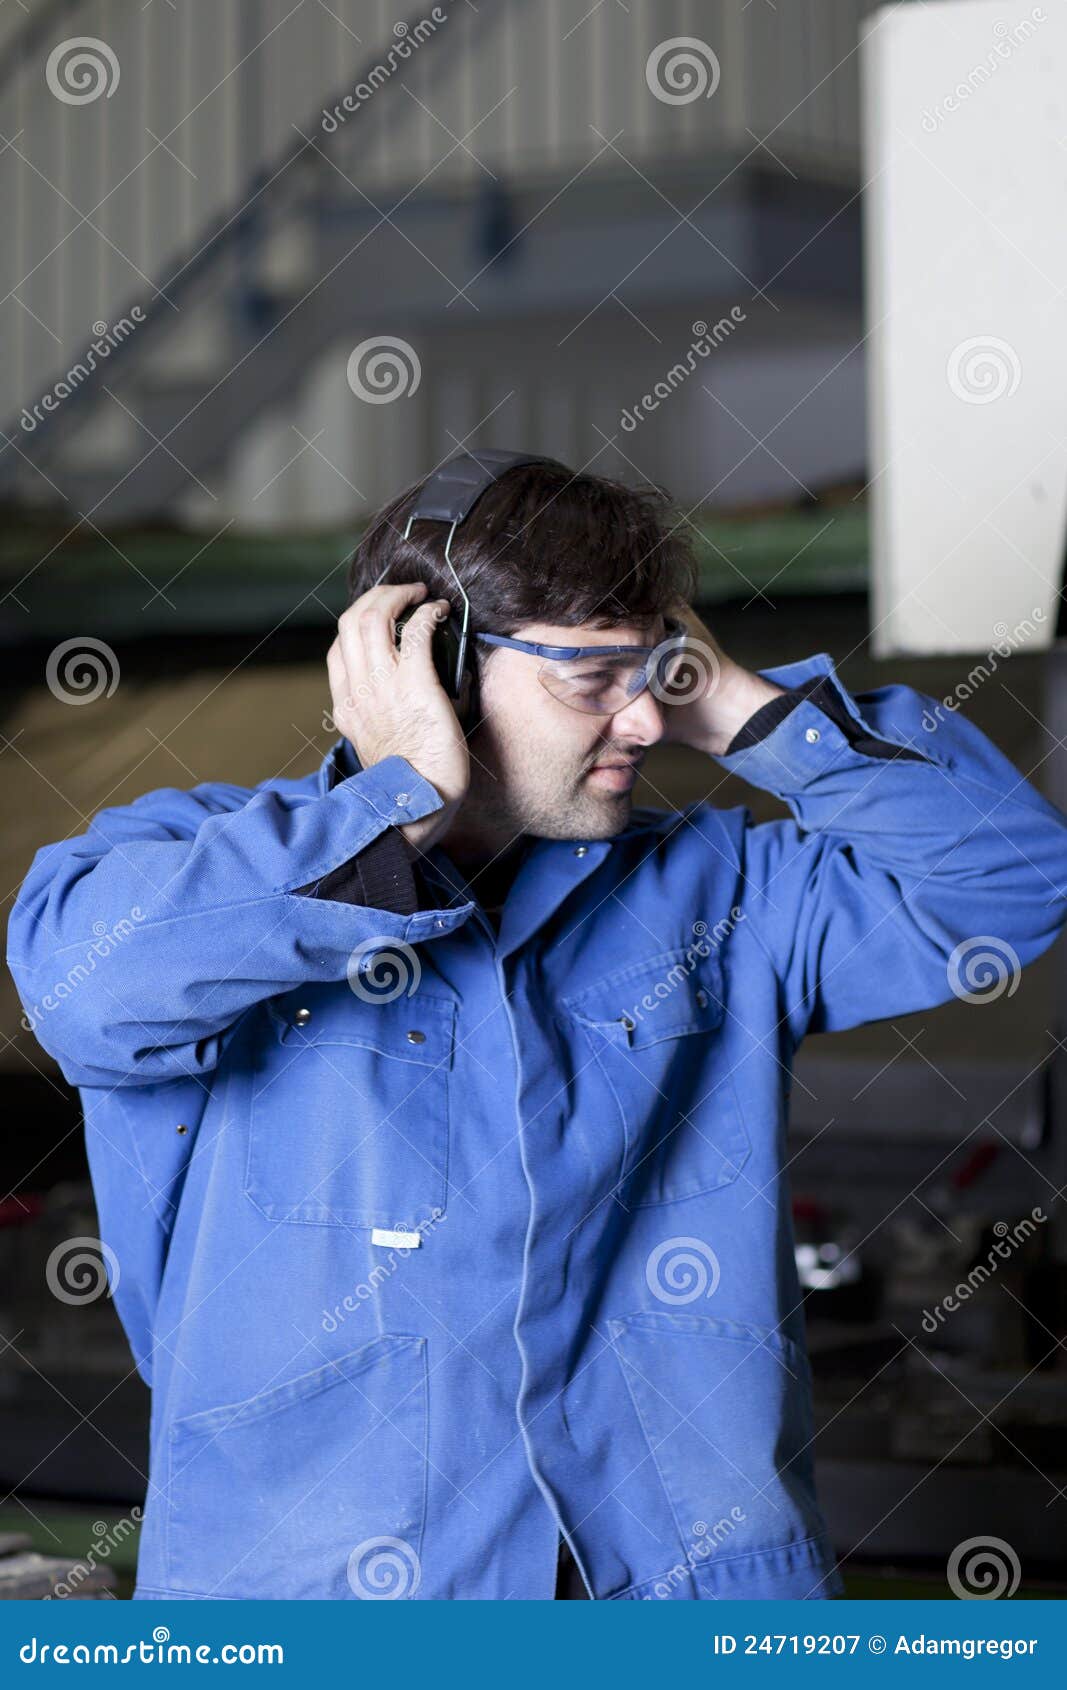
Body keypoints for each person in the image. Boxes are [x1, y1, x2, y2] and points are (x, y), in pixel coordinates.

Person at [9, 452, 1067, 1602]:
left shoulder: (720, 897)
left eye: (653, 667)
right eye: (591, 678)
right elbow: (80, 992)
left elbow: (1009, 882)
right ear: (439, 669)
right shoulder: (203, 876)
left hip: (683, 1610)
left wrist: (729, 698)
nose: (644, 717)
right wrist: (397, 797)